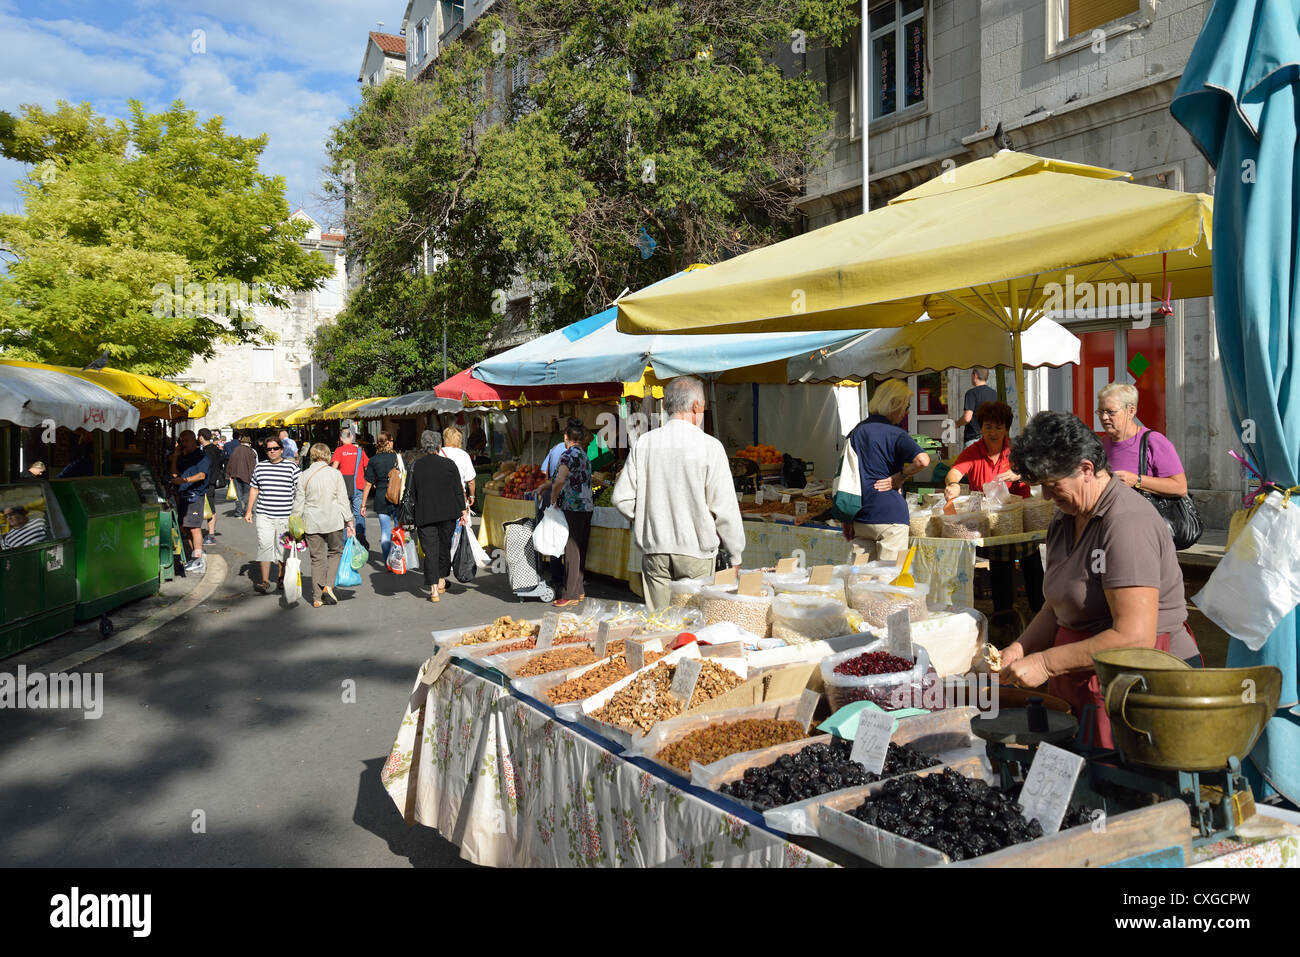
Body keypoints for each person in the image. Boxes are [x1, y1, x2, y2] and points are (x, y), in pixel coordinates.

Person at [1000, 411, 1201, 748]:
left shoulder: (1127, 523)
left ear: (1087, 469)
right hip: (1083, 677)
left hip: (1136, 686)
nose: (1048, 497)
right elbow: (1058, 603)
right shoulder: (1068, 515)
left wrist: (1047, 663)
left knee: (1118, 789)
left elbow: (1134, 637)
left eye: (1052, 485)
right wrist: (1023, 646)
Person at [612, 376, 746, 611]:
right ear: (696, 407)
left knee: (660, 625)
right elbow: (725, 509)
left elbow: (621, 498)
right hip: (696, 551)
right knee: (693, 625)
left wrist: (647, 515)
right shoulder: (710, 446)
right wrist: (736, 556)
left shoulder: (644, 443)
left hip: (655, 550)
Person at [944, 401, 1044, 625]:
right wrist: (952, 485)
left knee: (1031, 562)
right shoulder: (973, 452)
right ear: (981, 428)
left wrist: (1018, 474)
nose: (993, 432)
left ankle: (1039, 611)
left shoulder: (1017, 451)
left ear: (1006, 429)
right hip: (991, 522)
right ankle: (1004, 618)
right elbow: (954, 473)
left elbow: (1038, 474)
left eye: (999, 427)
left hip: (1020, 520)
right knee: (1000, 565)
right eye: (988, 427)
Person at [844, 379, 931, 562]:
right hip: (891, 517)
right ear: (894, 404)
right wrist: (900, 477)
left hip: (861, 515)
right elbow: (923, 460)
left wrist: (846, 517)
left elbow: (847, 477)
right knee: (888, 581)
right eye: (906, 407)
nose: (906, 412)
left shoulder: (856, 433)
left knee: (860, 581)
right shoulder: (896, 433)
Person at [1096, 382, 1189, 501]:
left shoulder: (1153, 441)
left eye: (1110, 412)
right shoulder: (1101, 444)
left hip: (1145, 517)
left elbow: (1180, 487)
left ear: (1131, 411)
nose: (1104, 417)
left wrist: (1137, 480)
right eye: (1100, 411)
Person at [407, 430, 467, 603]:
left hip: (424, 514)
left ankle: (433, 590)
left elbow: (410, 493)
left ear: (423, 446)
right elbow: (458, 491)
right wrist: (463, 512)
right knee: (444, 547)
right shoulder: (449, 464)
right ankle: (441, 580)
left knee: (430, 551)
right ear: (439, 445)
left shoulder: (416, 465)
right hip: (448, 513)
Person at [294, 442, 356, 607]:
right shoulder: (335, 474)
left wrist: (294, 523)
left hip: (311, 522)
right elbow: (343, 500)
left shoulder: (304, 475)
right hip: (333, 520)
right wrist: (350, 521)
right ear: (328, 455)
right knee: (335, 552)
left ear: (313, 455)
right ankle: (328, 586)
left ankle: (316, 597)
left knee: (317, 559)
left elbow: (299, 503)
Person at [245, 436, 299, 593]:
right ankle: (265, 581)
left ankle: (281, 578)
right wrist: (249, 510)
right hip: (264, 515)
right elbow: (254, 488)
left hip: (285, 516)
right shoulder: (260, 467)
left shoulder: (291, 467)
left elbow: (300, 489)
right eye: (269, 449)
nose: (272, 451)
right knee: (264, 545)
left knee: (283, 549)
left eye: (275, 448)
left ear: (281, 449)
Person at [550, 418, 594, 607]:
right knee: (581, 548)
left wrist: (553, 497)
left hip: (572, 507)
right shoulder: (584, 455)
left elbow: (560, 478)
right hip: (587, 506)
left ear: (566, 437)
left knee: (571, 549)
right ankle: (579, 590)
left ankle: (569, 594)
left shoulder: (567, 455)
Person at [168, 430, 209, 573]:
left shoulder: (201, 455)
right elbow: (174, 474)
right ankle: (195, 557)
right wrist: (175, 457)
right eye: (182, 441)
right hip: (183, 494)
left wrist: (185, 480)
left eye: (187, 440)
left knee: (194, 527)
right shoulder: (182, 456)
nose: (184, 443)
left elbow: (202, 475)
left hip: (195, 495)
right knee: (186, 527)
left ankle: (198, 559)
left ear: (194, 440)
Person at [362, 431, 401, 565]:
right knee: (398, 528)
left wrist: (363, 504)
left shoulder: (373, 460)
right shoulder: (397, 458)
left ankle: (387, 561)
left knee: (385, 531)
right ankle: (398, 559)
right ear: (389, 442)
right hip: (396, 497)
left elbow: (368, 483)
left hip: (380, 497)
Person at [330, 428, 370, 550]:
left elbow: (334, 468)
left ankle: (345, 541)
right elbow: (367, 465)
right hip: (358, 486)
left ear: (341, 439)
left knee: (344, 515)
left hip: (343, 487)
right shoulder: (359, 451)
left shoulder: (339, 450)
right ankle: (360, 540)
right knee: (359, 514)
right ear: (352, 438)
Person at [198, 428, 226, 546]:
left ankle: (211, 535)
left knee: (209, 508)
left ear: (201, 437)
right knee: (210, 507)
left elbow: (205, 468)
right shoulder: (215, 449)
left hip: (206, 482)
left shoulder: (206, 451)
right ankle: (210, 534)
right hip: (212, 481)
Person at [958, 367, 998, 446]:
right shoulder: (994, 393)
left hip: (974, 439)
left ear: (975, 375)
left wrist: (957, 423)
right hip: (991, 438)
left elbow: (967, 418)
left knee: (968, 458)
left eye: (971, 375)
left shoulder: (971, 393)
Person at [440, 427, 477, 509]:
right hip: (458, 496)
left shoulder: (438, 453)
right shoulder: (464, 455)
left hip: (440, 495)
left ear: (445, 438)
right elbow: (471, 482)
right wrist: (472, 496)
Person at [226, 434, 257, 516]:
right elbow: (255, 464)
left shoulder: (236, 449)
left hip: (236, 475)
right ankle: (247, 510)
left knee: (238, 495)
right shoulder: (251, 451)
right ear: (249, 443)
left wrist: (228, 474)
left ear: (241, 442)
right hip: (248, 476)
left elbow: (230, 462)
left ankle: (238, 512)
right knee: (247, 494)